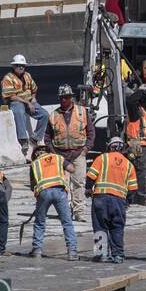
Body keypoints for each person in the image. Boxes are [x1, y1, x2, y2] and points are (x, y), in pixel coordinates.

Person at [46, 84, 93, 221]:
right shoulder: (53, 115)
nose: (63, 100)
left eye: (66, 98)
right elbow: (47, 137)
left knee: (79, 183)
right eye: (61, 98)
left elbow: (90, 131)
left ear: (71, 98)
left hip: (78, 153)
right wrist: (53, 152)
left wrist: (86, 148)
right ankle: (65, 211)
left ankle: (79, 212)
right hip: (61, 155)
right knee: (63, 184)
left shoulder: (82, 112)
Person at [86, 135, 137, 263]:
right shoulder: (129, 165)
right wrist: (127, 201)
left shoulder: (102, 158)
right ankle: (118, 255)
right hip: (119, 201)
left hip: (100, 198)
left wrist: (88, 190)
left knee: (100, 226)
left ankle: (102, 254)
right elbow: (132, 189)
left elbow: (91, 177)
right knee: (117, 227)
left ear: (110, 147)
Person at [27, 147, 78, 260]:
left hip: (44, 192)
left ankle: (37, 250)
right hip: (60, 191)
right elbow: (72, 169)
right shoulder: (58, 158)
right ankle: (72, 252)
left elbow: (32, 185)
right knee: (67, 222)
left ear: (36, 153)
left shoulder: (34, 164)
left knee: (40, 222)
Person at [2, 54, 48, 156]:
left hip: (28, 101)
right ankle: (23, 140)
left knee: (44, 114)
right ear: (13, 66)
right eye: (18, 65)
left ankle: (35, 138)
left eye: (22, 65)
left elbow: (34, 89)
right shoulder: (8, 78)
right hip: (15, 101)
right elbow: (10, 96)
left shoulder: (27, 76)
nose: (21, 67)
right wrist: (27, 102)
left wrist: (34, 98)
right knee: (20, 111)